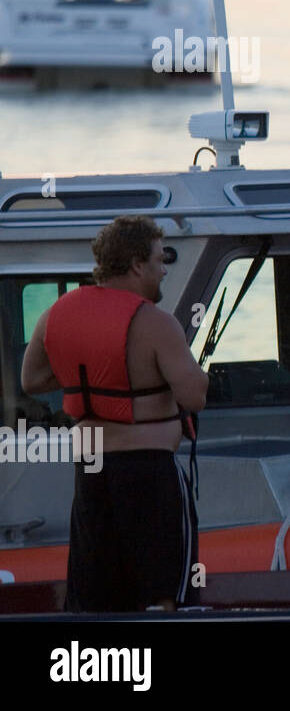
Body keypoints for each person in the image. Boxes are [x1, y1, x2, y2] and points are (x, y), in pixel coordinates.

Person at [21, 215, 208, 612]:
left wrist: (89, 374)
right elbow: (194, 397)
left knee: (95, 594)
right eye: (160, 260)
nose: (163, 270)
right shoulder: (156, 322)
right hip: (149, 472)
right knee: (165, 594)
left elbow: (32, 380)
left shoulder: (55, 314)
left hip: (91, 472)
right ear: (138, 264)